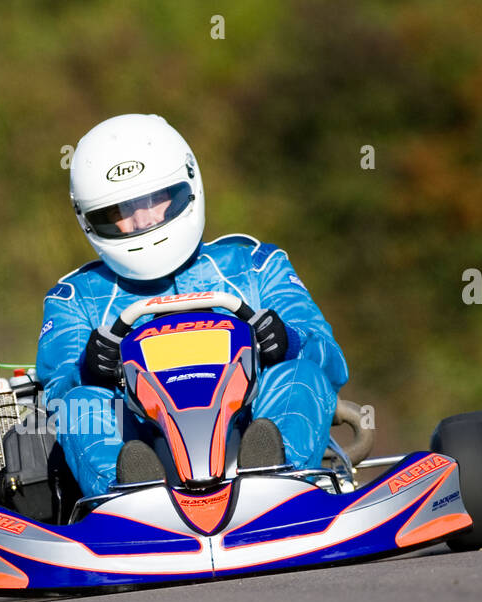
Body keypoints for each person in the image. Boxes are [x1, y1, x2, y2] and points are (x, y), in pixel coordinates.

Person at [36, 113, 349, 498]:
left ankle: (279, 476)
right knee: (79, 405)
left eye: (156, 200)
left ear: (187, 186)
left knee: (300, 372)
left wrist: (290, 340)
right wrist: (86, 371)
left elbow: (331, 360)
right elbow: (52, 398)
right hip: (144, 445)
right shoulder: (75, 298)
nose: (142, 220)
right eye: (120, 212)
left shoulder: (254, 264)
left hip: (248, 429)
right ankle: (128, 498)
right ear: (91, 220)